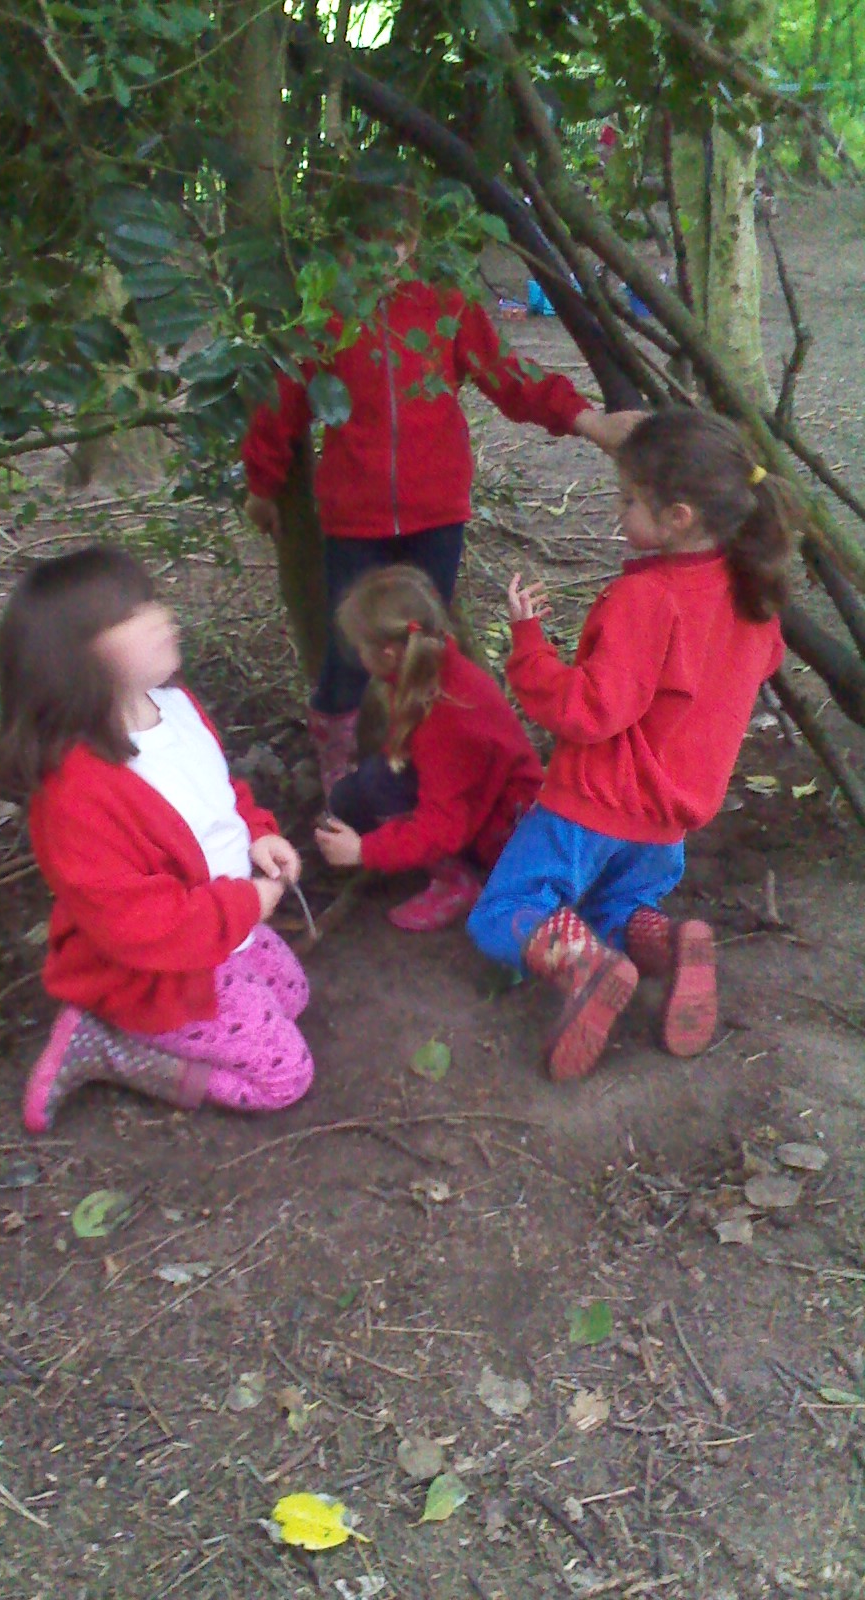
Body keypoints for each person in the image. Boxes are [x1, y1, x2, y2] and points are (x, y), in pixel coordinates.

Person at [241, 180, 641, 799]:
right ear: (342, 250)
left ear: (415, 242)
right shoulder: (322, 317)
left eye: (395, 243)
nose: (382, 260)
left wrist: (589, 422)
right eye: (365, 247)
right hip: (355, 515)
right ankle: (343, 766)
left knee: (428, 647)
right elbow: (283, 401)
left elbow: (507, 376)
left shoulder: (444, 303)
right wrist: (263, 484)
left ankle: (429, 766)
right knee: (353, 646)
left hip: (435, 510)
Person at [467, 409, 797, 1082]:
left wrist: (528, 650)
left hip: (590, 805)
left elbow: (589, 711)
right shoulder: (749, 589)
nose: (618, 512)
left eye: (628, 501)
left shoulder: (645, 597)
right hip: (671, 817)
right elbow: (758, 663)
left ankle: (585, 969)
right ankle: (669, 948)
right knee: (621, 907)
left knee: (503, 912)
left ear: (677, 516)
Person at [0, 546, 314, 1132]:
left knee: (293, 994)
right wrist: (246, 905)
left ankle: (167, 1023)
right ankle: (112, 1045)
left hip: (214, 932)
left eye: (152, 601)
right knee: (285, 1076)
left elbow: (219, 794)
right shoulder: (77, 793)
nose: (162, 617)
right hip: (154, 972)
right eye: (132, 614)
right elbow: (138, 923)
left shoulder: (175, 706)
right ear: (74, 660)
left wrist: (256, 837)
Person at [313, 565, 543, 931]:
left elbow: (444, 826)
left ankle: (457, 880)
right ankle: (421, 856)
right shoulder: (428, 668)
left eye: (360, 648)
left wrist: (364, 852)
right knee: (355, 794)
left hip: (506, 833)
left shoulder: (450, 715)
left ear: (388, 652)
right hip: (478, 804)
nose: (358, 656)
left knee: (373, 790)